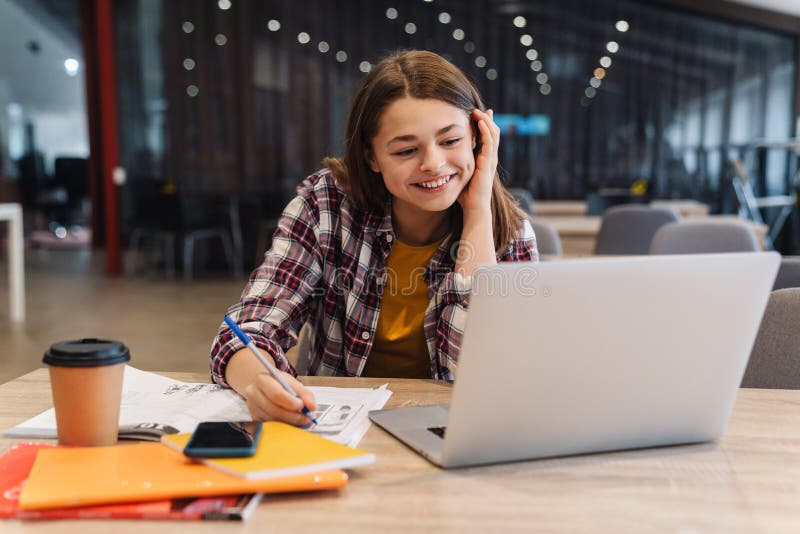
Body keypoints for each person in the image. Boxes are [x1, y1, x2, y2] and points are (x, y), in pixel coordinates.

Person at [211, 50, 538, 425]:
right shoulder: (327, 205)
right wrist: (261, 384)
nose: (432, 162)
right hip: (335, 427)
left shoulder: (509, 234)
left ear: (479, 140)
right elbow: (247, 330)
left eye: (450, 141)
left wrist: (478, 211)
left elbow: (488, 373)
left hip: (453, 430)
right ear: (371, 156)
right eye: (406, 150)